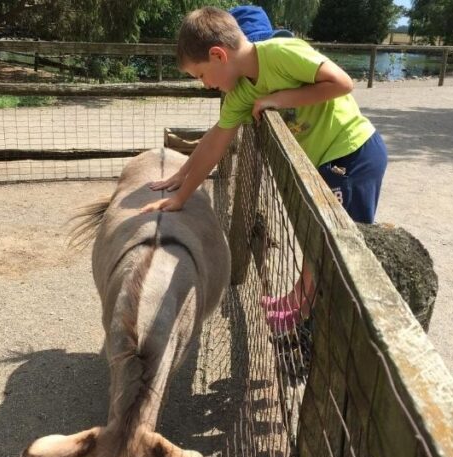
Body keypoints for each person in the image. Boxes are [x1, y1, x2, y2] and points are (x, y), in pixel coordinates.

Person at [141, 6, 387, 334]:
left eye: (201, 75)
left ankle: (315, 324)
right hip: (325, 162)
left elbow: (342, 82)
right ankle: (300, 299)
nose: (205, 85)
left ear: (217, 55)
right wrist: (181, 192)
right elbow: (215, 142)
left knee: (338, 248)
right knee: (318, 237)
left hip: (352, 154)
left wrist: (280, 99)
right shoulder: (243, 92)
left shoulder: (281, 53)